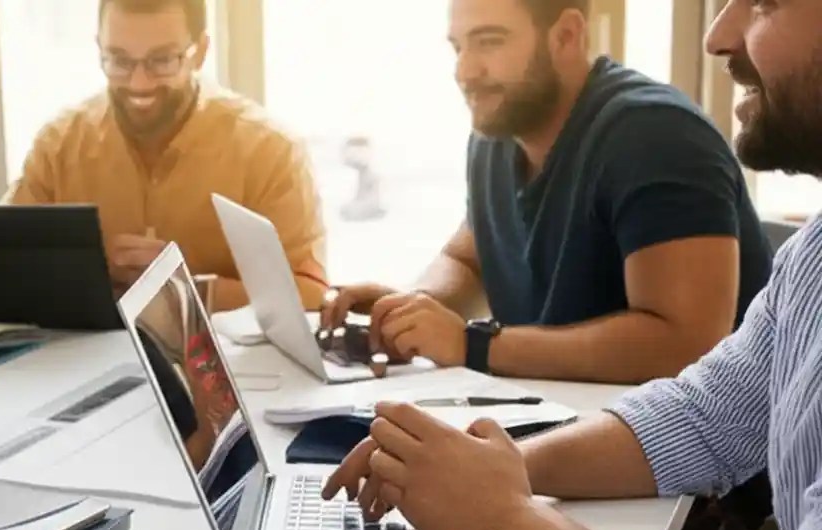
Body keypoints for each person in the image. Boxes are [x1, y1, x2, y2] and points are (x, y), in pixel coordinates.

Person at [323, 1, 822, 530]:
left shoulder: (651, 133)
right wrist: (491, 469)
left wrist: (503, 520)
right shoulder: (815, 254)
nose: (719, 35)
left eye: (767, 1)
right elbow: (703, 415)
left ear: (567, 34)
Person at [321, 0, 771, 387]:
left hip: (706, 475)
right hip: (574, 429)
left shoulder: (656, 134)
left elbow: (683, 346)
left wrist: (470, 344)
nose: (464, 71)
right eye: (459, 47)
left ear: (567, 35)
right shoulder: (498, 134)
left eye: (489, 42)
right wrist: (412, 308)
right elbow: (468, 258)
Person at [6, 0, 329, 311]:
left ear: (200, 52)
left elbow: (311, 294)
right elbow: (2, 267)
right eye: (119, 61)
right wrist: (92, 274)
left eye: (161, 61)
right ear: (98, 49)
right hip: (78, 362)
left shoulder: (270, 150)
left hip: (228, 364)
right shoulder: (58, 146)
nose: (139, 84)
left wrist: (190, 289)